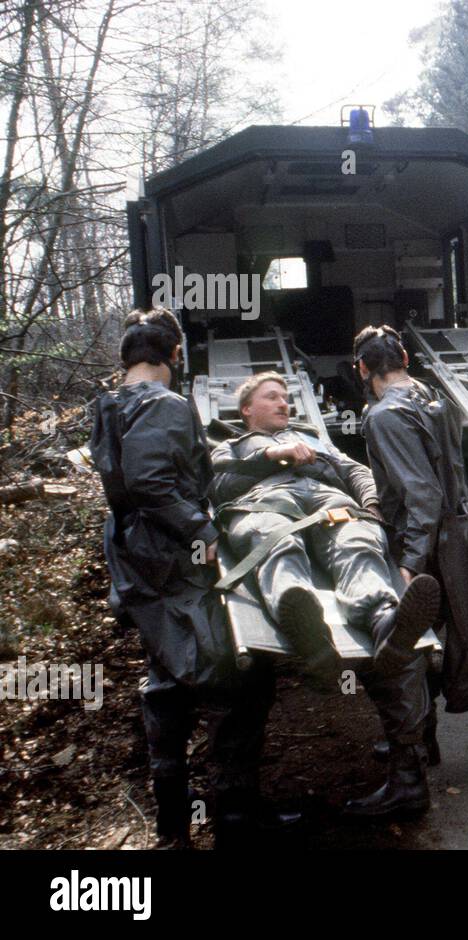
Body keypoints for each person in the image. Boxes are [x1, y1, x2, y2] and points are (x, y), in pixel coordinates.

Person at [89, 308, 294, 848]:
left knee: (165, 682)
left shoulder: (110, 404)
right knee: (240, 679)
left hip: (136, 562)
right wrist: (201, 528)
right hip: (174, 564)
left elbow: (156, 475)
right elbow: (152, 481)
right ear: (173, 355)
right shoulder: (166, 403)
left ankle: (173, 829)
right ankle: (235, 819)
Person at [210, 372, 441, 816]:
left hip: (328, 506)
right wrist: (273, 455)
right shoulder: (230, 444)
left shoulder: (314, 440)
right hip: (263, 506)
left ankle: (383, 619)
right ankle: (302, 617)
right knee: (275, 542)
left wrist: (369, 506)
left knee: (358, 544)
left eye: (286, 397)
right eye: (271, 397)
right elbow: (216, 482)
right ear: (245, 411)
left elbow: (354, 471)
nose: (283, 404)